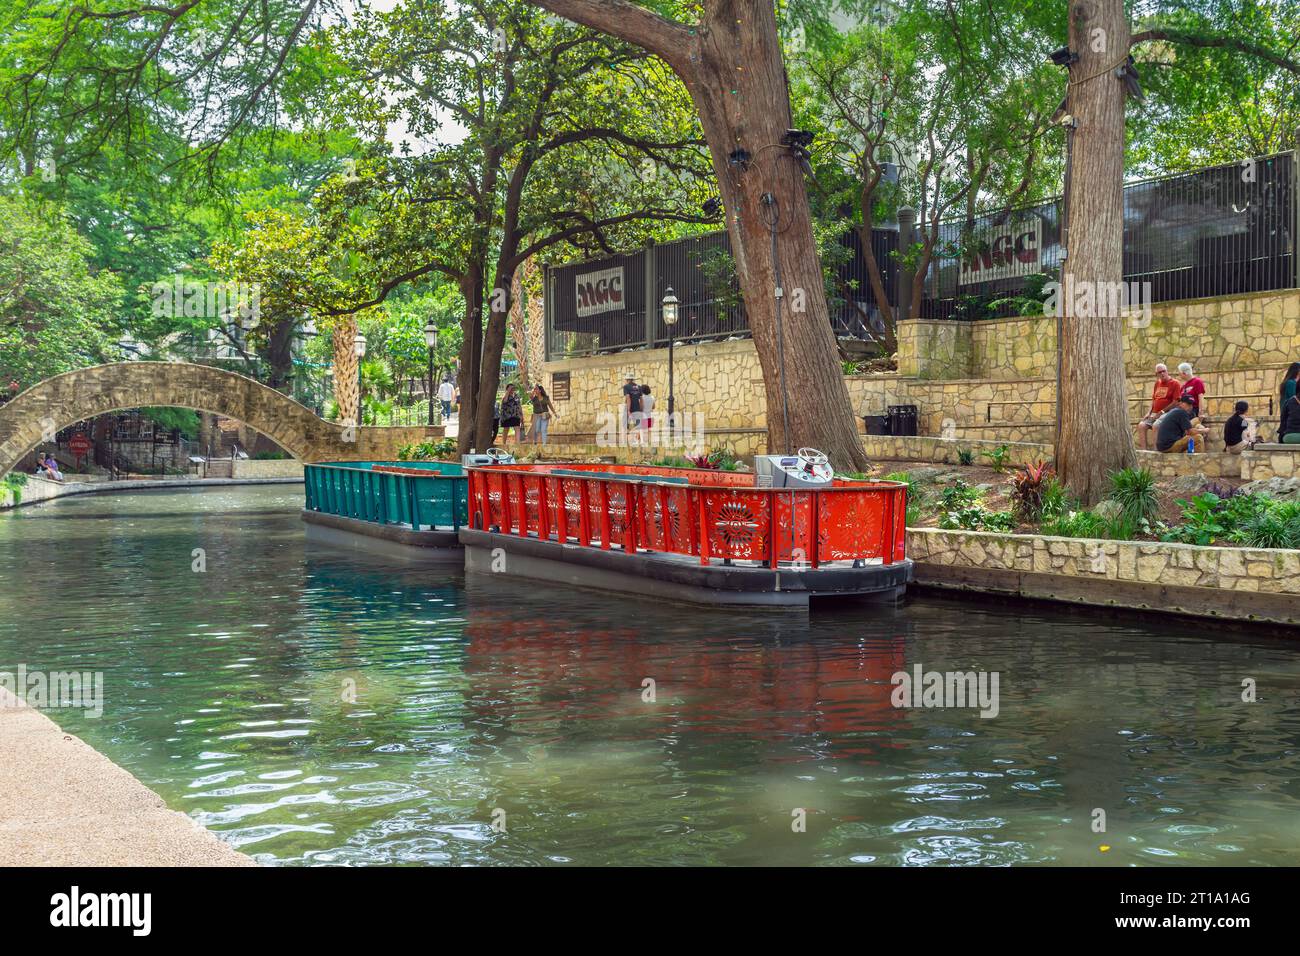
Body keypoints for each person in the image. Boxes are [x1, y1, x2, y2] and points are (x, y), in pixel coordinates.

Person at [1136, 363, 1182, 450]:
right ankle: (1144, 451)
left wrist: (1162, 412)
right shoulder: (1157, 383)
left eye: (1164, 371)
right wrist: (1149, 412)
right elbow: (1154, 399)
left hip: (1168, 413)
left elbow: (1176, 402)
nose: (1162, 374)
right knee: (1141, 425)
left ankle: (1155, 451)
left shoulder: (1175, 383)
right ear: (1156, 374)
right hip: (1155, 413)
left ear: (1167, 371)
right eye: (1159, 372)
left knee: (1156, 425)